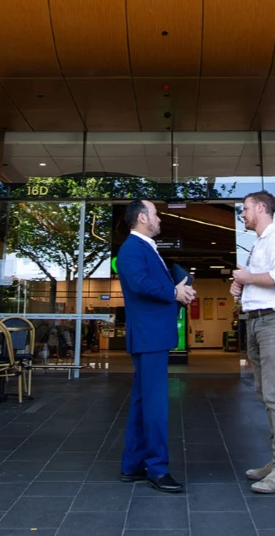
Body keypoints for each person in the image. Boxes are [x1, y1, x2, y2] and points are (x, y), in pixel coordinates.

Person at [116, 199, 195, 493]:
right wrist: (174, 292)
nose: (159, 218)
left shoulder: (144, 247)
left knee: (142, 402)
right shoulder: (132, 249)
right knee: (155, 406)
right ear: (142, 218)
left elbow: (149, 284)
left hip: (151, 336)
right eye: (156, 214)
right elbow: (140, 283)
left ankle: (132, 465)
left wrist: (180, 290)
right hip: (149, 338)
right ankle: (157, 469)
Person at [230, 189, 275, 494]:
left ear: (260, 208)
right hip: (257, 321)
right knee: (265, 392)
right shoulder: (260, 243)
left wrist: (248, 279)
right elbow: (261, 278)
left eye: (245, 208)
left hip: (273, 322)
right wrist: (242, 287)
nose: (242, 214)